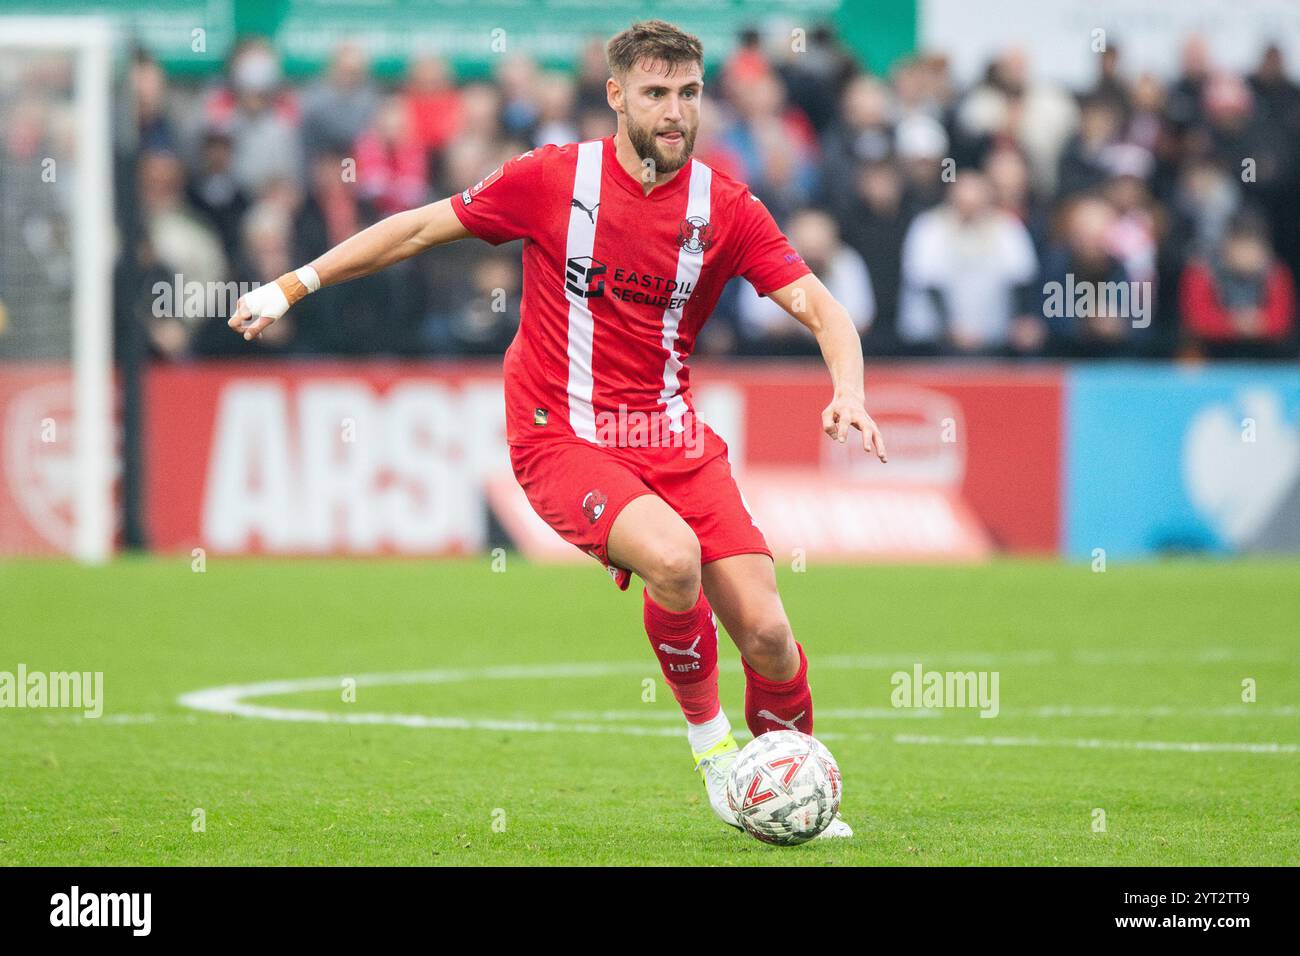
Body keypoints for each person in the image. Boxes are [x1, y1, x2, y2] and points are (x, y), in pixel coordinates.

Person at [227, 19, 886, 838]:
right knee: (673, 560)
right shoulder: (552, 180)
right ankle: (716, 756)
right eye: (655, 93)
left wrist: (848, 390)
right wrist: (291, 286)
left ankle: (792, 796)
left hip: (671, 437)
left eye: (688, 93)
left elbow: (822, 308)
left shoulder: (726, 208)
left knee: (768, 633)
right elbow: (421, 227)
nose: (675, 112)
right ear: (616, 96)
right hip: (560, 434)